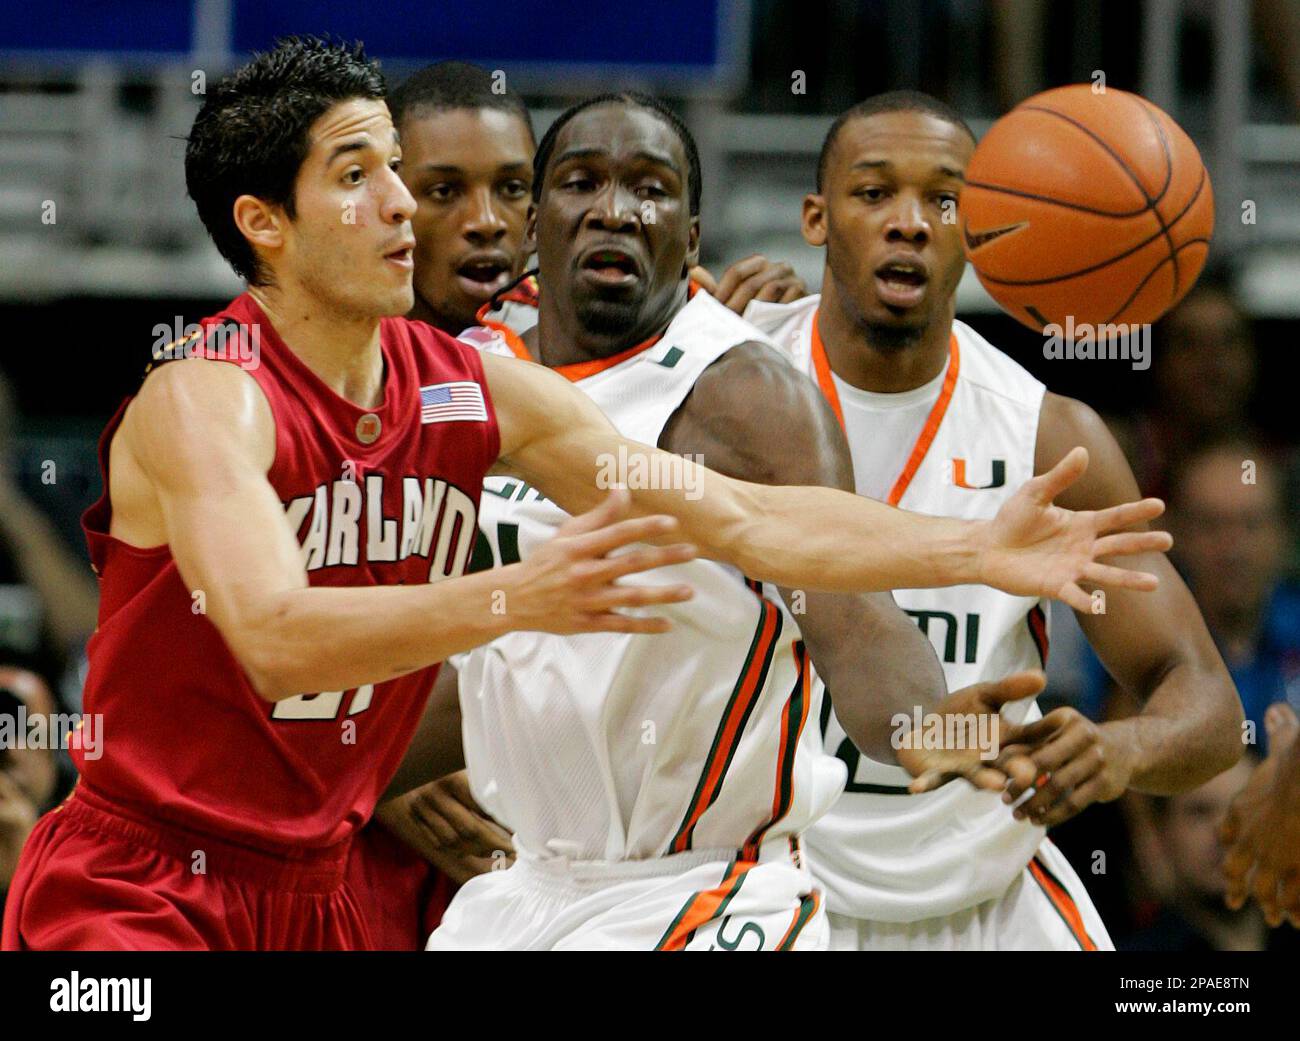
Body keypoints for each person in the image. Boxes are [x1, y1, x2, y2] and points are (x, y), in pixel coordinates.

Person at [0, 39, 1167, 952]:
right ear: (265, 225)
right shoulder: (207, 397)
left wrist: (969, 550)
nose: (410, 205)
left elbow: (747, 518)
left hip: (321, 887)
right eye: (359, 177)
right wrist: (518, 596)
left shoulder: (473, 390)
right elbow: (273, 637)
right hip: (148, 877)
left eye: (398, 170)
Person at [413, 90, 1163, 951]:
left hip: (701, 889)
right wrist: (344, 782)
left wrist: (940, 729)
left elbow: (852, 616)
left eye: (651, 188)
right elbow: (489, 656)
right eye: (582, 182)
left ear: (690, 237)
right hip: (523, 890)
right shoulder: (469, 373)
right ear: (536, 220)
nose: (615, 209)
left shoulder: (745, 393)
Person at [743, 91, 1243, 950]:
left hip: (987, 900)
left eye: (944, 200)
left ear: (976, 230)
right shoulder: (728, 387)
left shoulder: (1050, 436)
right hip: (768, 892)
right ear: (816, 219)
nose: (910, 222)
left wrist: (1119, 751)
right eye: (873, 194)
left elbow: (1204, 701)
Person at [351, 60, 808, 946]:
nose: (486, 223)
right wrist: (368, 777)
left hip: (589, 863)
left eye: (512, 188)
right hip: (367, 842)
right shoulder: (310, 372)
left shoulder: (650, 341)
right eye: (445, 190)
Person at [1166, 438, 1300, 755]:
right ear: (1178, 534)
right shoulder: (1145, 638)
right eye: (1212, 526)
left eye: (1251, 525)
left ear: (1282, 533)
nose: (1233, 549)